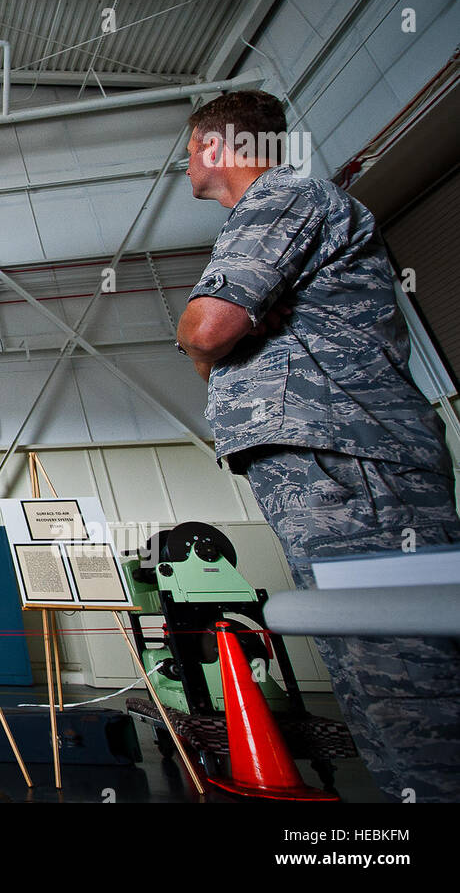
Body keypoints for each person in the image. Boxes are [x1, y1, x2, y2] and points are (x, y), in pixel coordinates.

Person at [174, 89, 460, 801]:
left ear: (215, 146)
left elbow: (206, 330)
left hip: (355, 459)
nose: (184, 168)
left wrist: (212, 334)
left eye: (187, 152)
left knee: (405, 663)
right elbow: (218, 342)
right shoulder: (278, 210)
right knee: (368, 660)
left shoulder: (283, 197)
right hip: (330, 461)